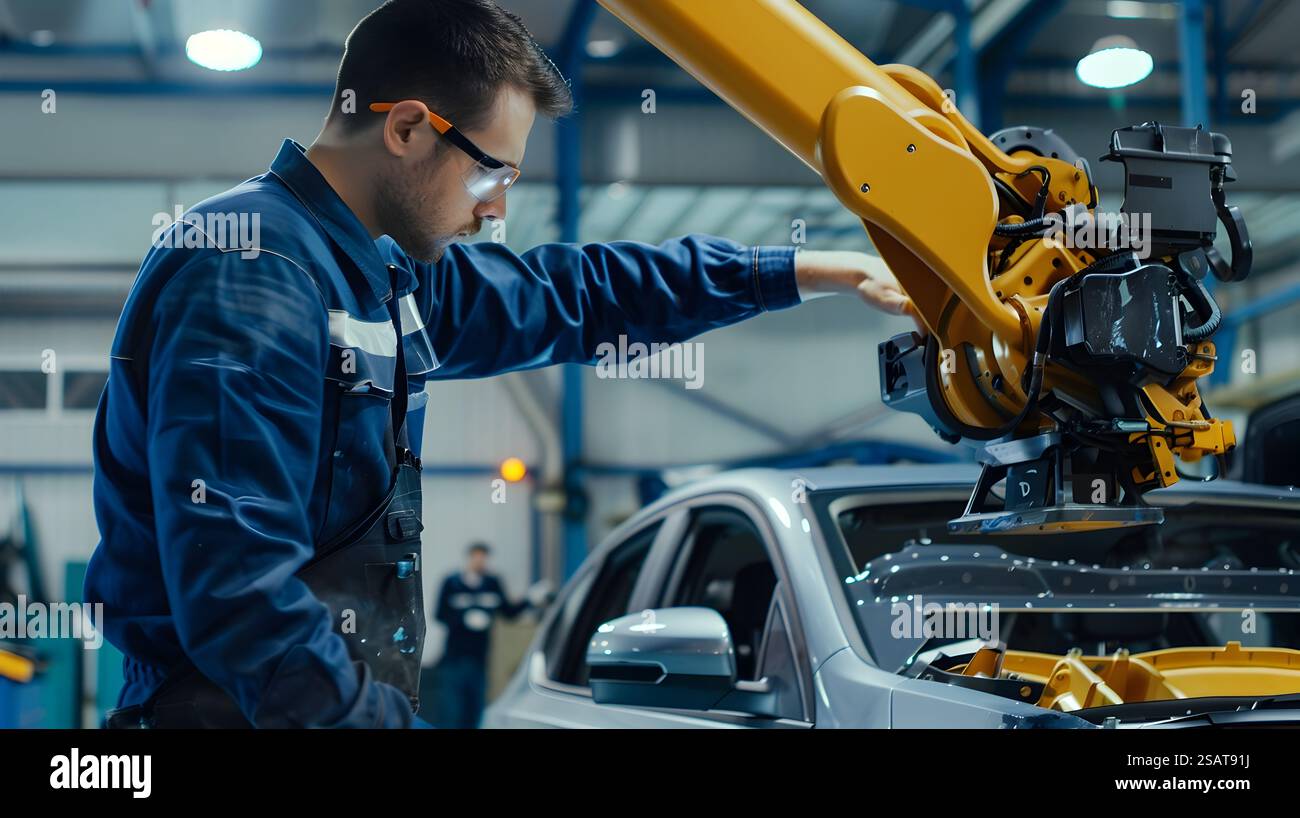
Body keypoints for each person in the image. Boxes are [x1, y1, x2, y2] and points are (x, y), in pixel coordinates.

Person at [86, 0, 917, 728]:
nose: (499, 211)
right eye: (495, 172)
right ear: (407, 127)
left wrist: (809, 272)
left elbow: (579, 294)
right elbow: (240, 599)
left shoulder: (380, 278)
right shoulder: (255, 273)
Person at [434, 543, 548, 728]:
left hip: (480, 656)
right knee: (453, 708)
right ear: (469, 558)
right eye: (476, 557)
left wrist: (530, 599)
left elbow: (509, 612)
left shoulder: (492, 583)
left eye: (483, 558)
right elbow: (439, 614)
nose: (480, 561)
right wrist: (463, 619)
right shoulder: (452, 583)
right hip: (454, 657)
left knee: (475, 707)